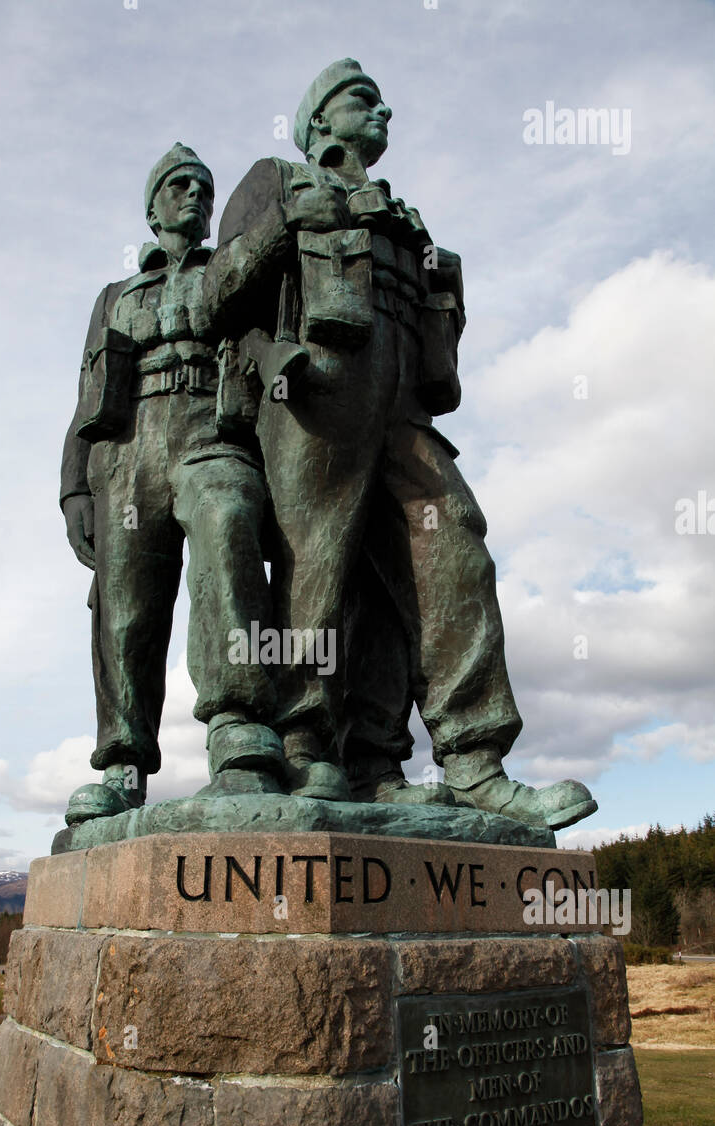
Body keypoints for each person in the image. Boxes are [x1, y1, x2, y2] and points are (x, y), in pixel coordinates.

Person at [204, 60, 596, 830]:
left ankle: (473, 759)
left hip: (401, 405)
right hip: (316, 388)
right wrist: (288, 224)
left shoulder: (403, 214)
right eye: (363, 101)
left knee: (452, 549)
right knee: (317, 569)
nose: (384, 112)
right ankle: (306, 743)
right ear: (319, 122)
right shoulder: (274, 180)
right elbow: (221, 292)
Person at [61, 144, 284, 823]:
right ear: (152, 205)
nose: (194, 195)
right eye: (179, 185)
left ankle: (238, 727)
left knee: (226, 524)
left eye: (203, 188)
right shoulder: (114, 298)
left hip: (209, 432)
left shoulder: (229, 269)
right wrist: (74, 489)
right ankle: (123, 762)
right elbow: (84, 401)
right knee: (126, 604)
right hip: (128, 449)